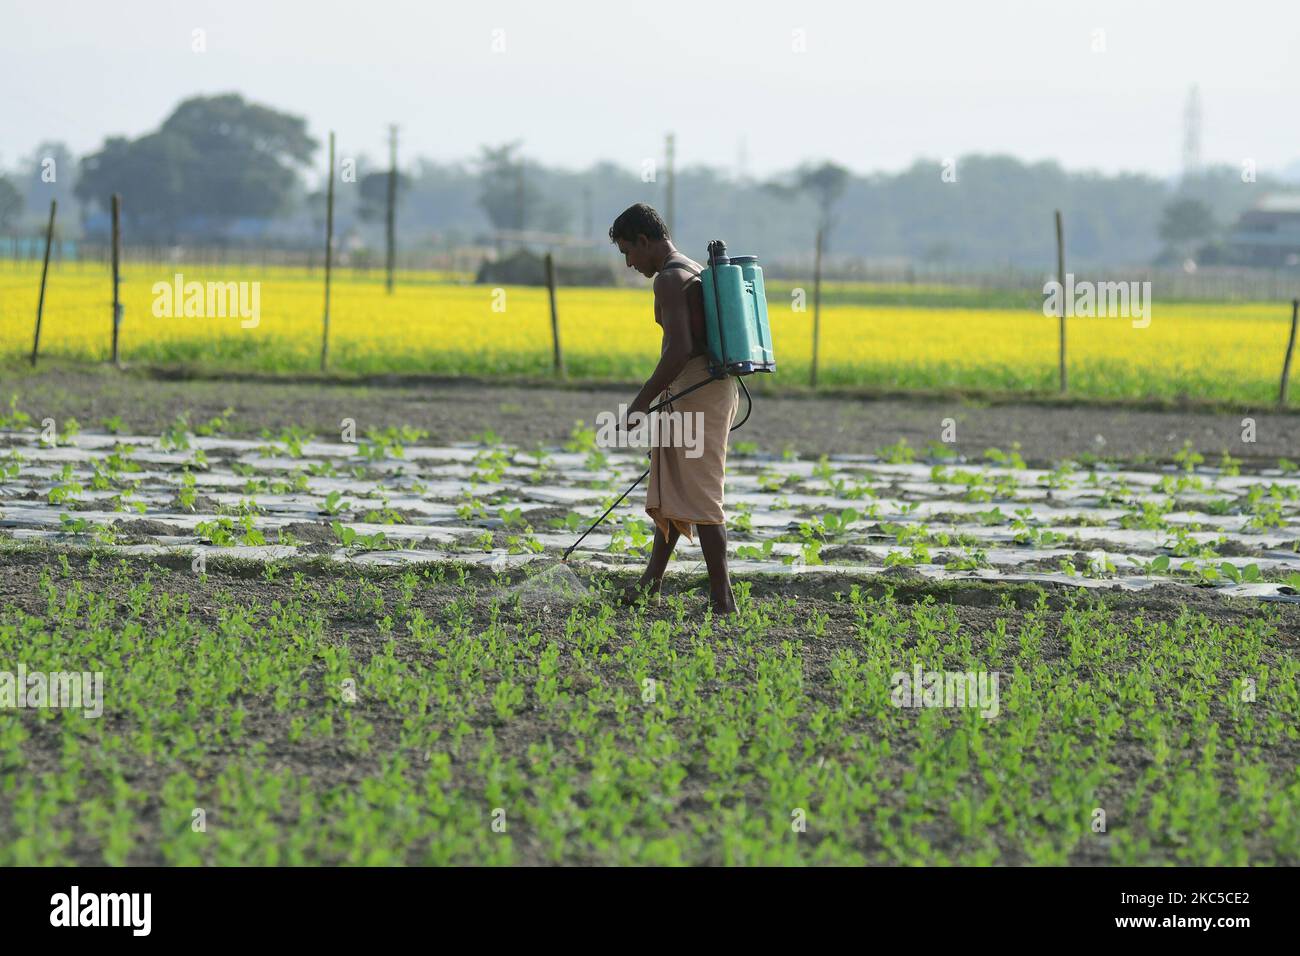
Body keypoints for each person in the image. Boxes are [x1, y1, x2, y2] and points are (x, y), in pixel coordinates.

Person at [608, 203, 739, 615]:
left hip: (697, 393)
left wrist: (639, 403)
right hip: (697, 390)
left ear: (645, 242)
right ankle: (651, 583)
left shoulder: (669, 279)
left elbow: (680, 349)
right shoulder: (691, 267)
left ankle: (723, 600)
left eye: (628, 251)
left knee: (701, 495)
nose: (629, 263)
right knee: (670, 485)